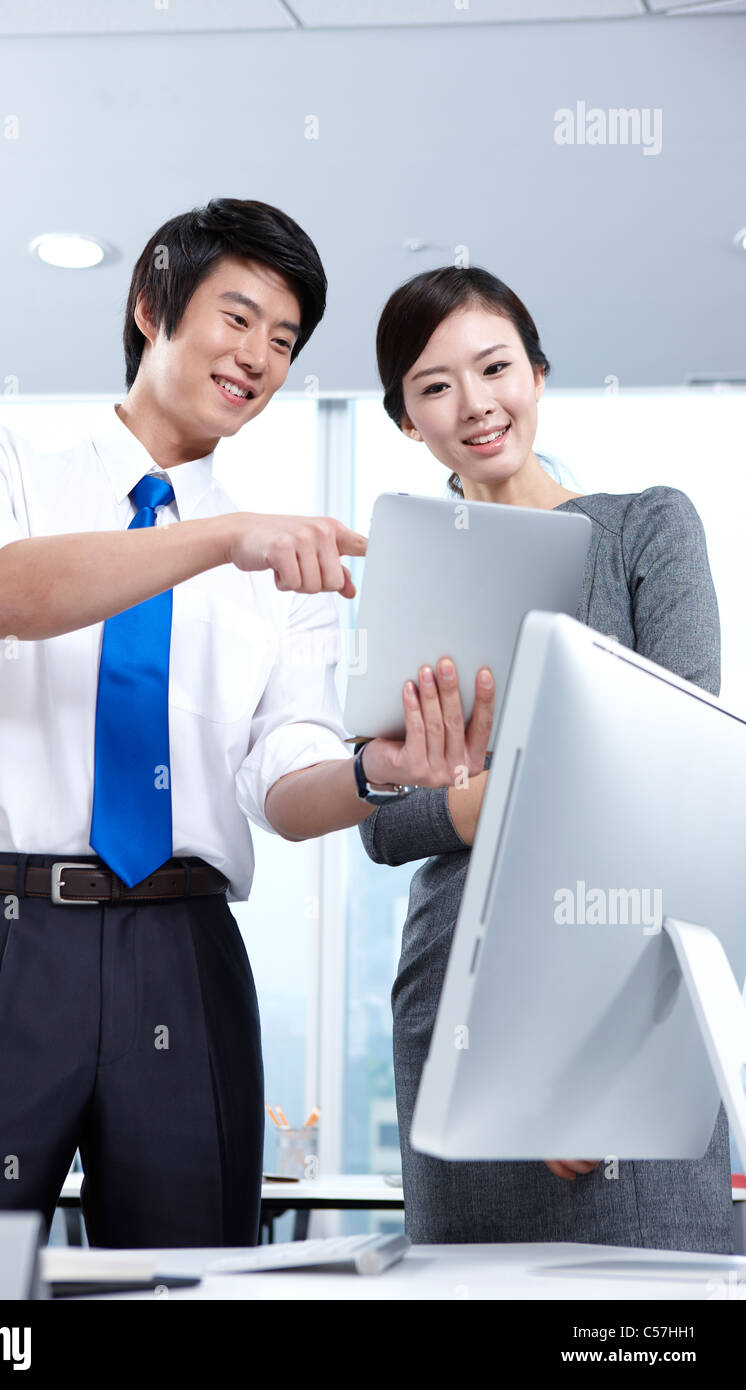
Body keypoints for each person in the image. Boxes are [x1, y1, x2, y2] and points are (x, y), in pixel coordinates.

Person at [0, 198, 491, 1249]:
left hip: (184, 943)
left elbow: (286, 784)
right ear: (150, 303)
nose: (259, 357)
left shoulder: (283, 559)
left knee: (191, 1281)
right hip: (1, 936)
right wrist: (215, 537)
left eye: (285, 341)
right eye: (238, 317)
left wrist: (378, 767)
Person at [356, 263, 734, 1253]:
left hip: (618, 982)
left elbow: (676, 780)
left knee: (643, 1317)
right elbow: (385, 822)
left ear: (537, 372)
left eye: (494, 367)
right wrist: (518, 790)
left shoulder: (645, 528)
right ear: (404, 418)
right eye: (435, 386)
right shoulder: (408, 576)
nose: (473, 404)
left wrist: (590, 1057)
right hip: (454, 997)